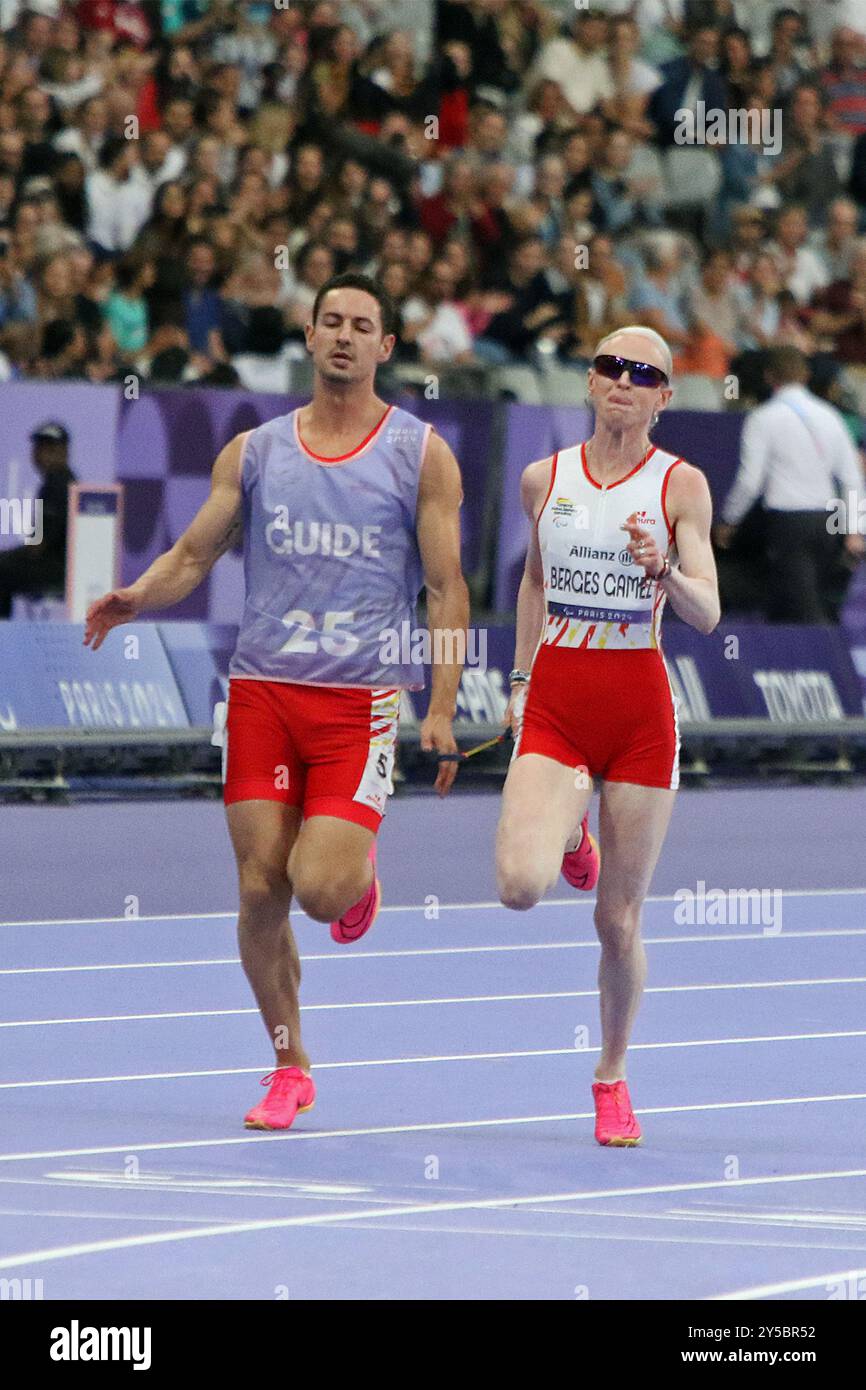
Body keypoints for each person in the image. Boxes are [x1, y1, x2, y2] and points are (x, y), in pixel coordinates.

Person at [84, 273, 469, 1132]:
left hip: (357, 701)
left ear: (385, 348)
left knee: (320, 889)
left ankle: (358, 873)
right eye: (329, 320)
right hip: (262, 691)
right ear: (308, 333)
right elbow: (193, 551)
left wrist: (439, 705)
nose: (343, 336)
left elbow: (446, 589)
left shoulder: (419, 455)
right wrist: (135, 598)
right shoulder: (256, 451)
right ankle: (290, 1067)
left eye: (361, 325)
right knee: (261, 889)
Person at [495, 325, 720, 1147]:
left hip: (637, 712)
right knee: (520, 885)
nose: (622, 380)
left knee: (617, 921)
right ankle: (569, 823)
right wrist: (519, 682)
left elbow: (710, 610)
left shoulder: (681, 486)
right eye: (608, 367)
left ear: (664, 396)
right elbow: (531, 580)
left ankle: (612, 1076)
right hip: (557, 700)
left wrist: (663, 569)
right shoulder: (541, 478)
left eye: (643, 373)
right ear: (588, 383)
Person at [716, 345, 865, 622]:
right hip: (827, 524)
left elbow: (750, 481)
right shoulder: (830, 416)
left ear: (770, 377)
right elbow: (851, 478)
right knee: (795, 602)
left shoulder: (763, 418)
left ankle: (822, 661)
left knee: (802, 610)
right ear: (805, 375)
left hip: (789, 525)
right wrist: (854, 530)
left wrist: (729, 520)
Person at [0, 422, 77, 618]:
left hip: (56, 568)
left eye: (50, 448)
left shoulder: (57, 485)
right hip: (62, 565)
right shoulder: (68, 480)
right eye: (39, 447)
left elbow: (37, 546)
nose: (41, 454)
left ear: (64, 451)